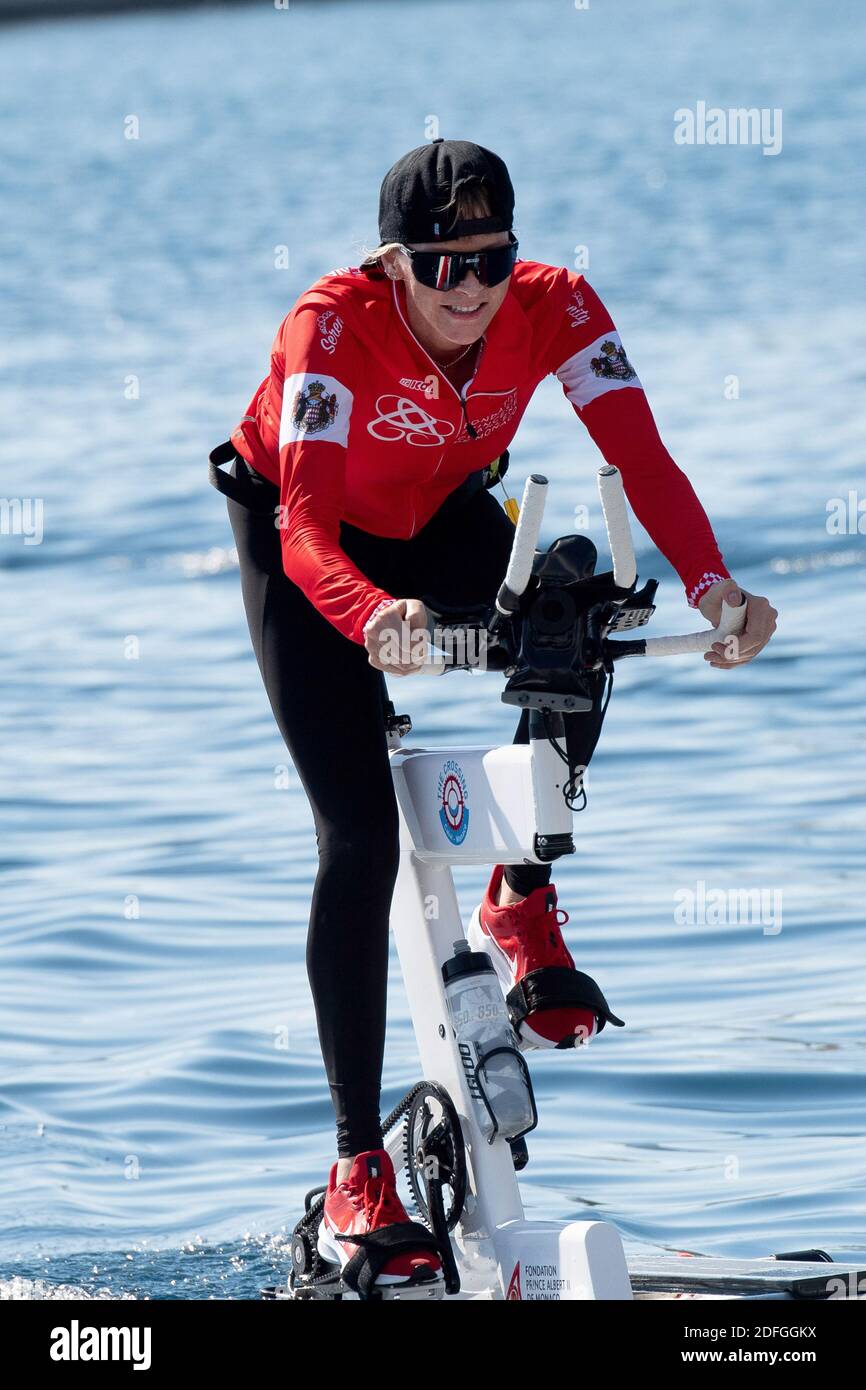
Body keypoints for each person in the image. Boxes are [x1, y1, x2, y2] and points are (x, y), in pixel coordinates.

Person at [211, 139, 778, 1294]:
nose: (469, 287)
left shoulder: (557, 306)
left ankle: (520, 896)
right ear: (392, 265)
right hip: (305, 549)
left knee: (580, 591)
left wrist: (714, 584)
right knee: (360, 836)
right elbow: (308, 527)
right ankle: (356, 1165)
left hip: (442, 519)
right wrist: (372, 616)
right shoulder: (326, 328)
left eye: (489, 257)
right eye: (441, 263)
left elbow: (643, 457)